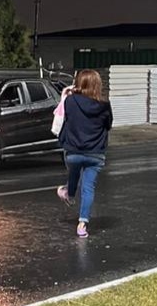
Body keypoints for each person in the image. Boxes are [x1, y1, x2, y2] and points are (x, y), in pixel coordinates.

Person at [56, 69, 113, 238]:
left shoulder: (71, 101)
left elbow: (61, 113)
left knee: (74, 171)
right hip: (96, 153)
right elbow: (108, 125)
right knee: (88, 188)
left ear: (78, 84)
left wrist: (66, 92)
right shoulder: (104, 106)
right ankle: (82, 225)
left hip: (73, 151)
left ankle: (69, 193)